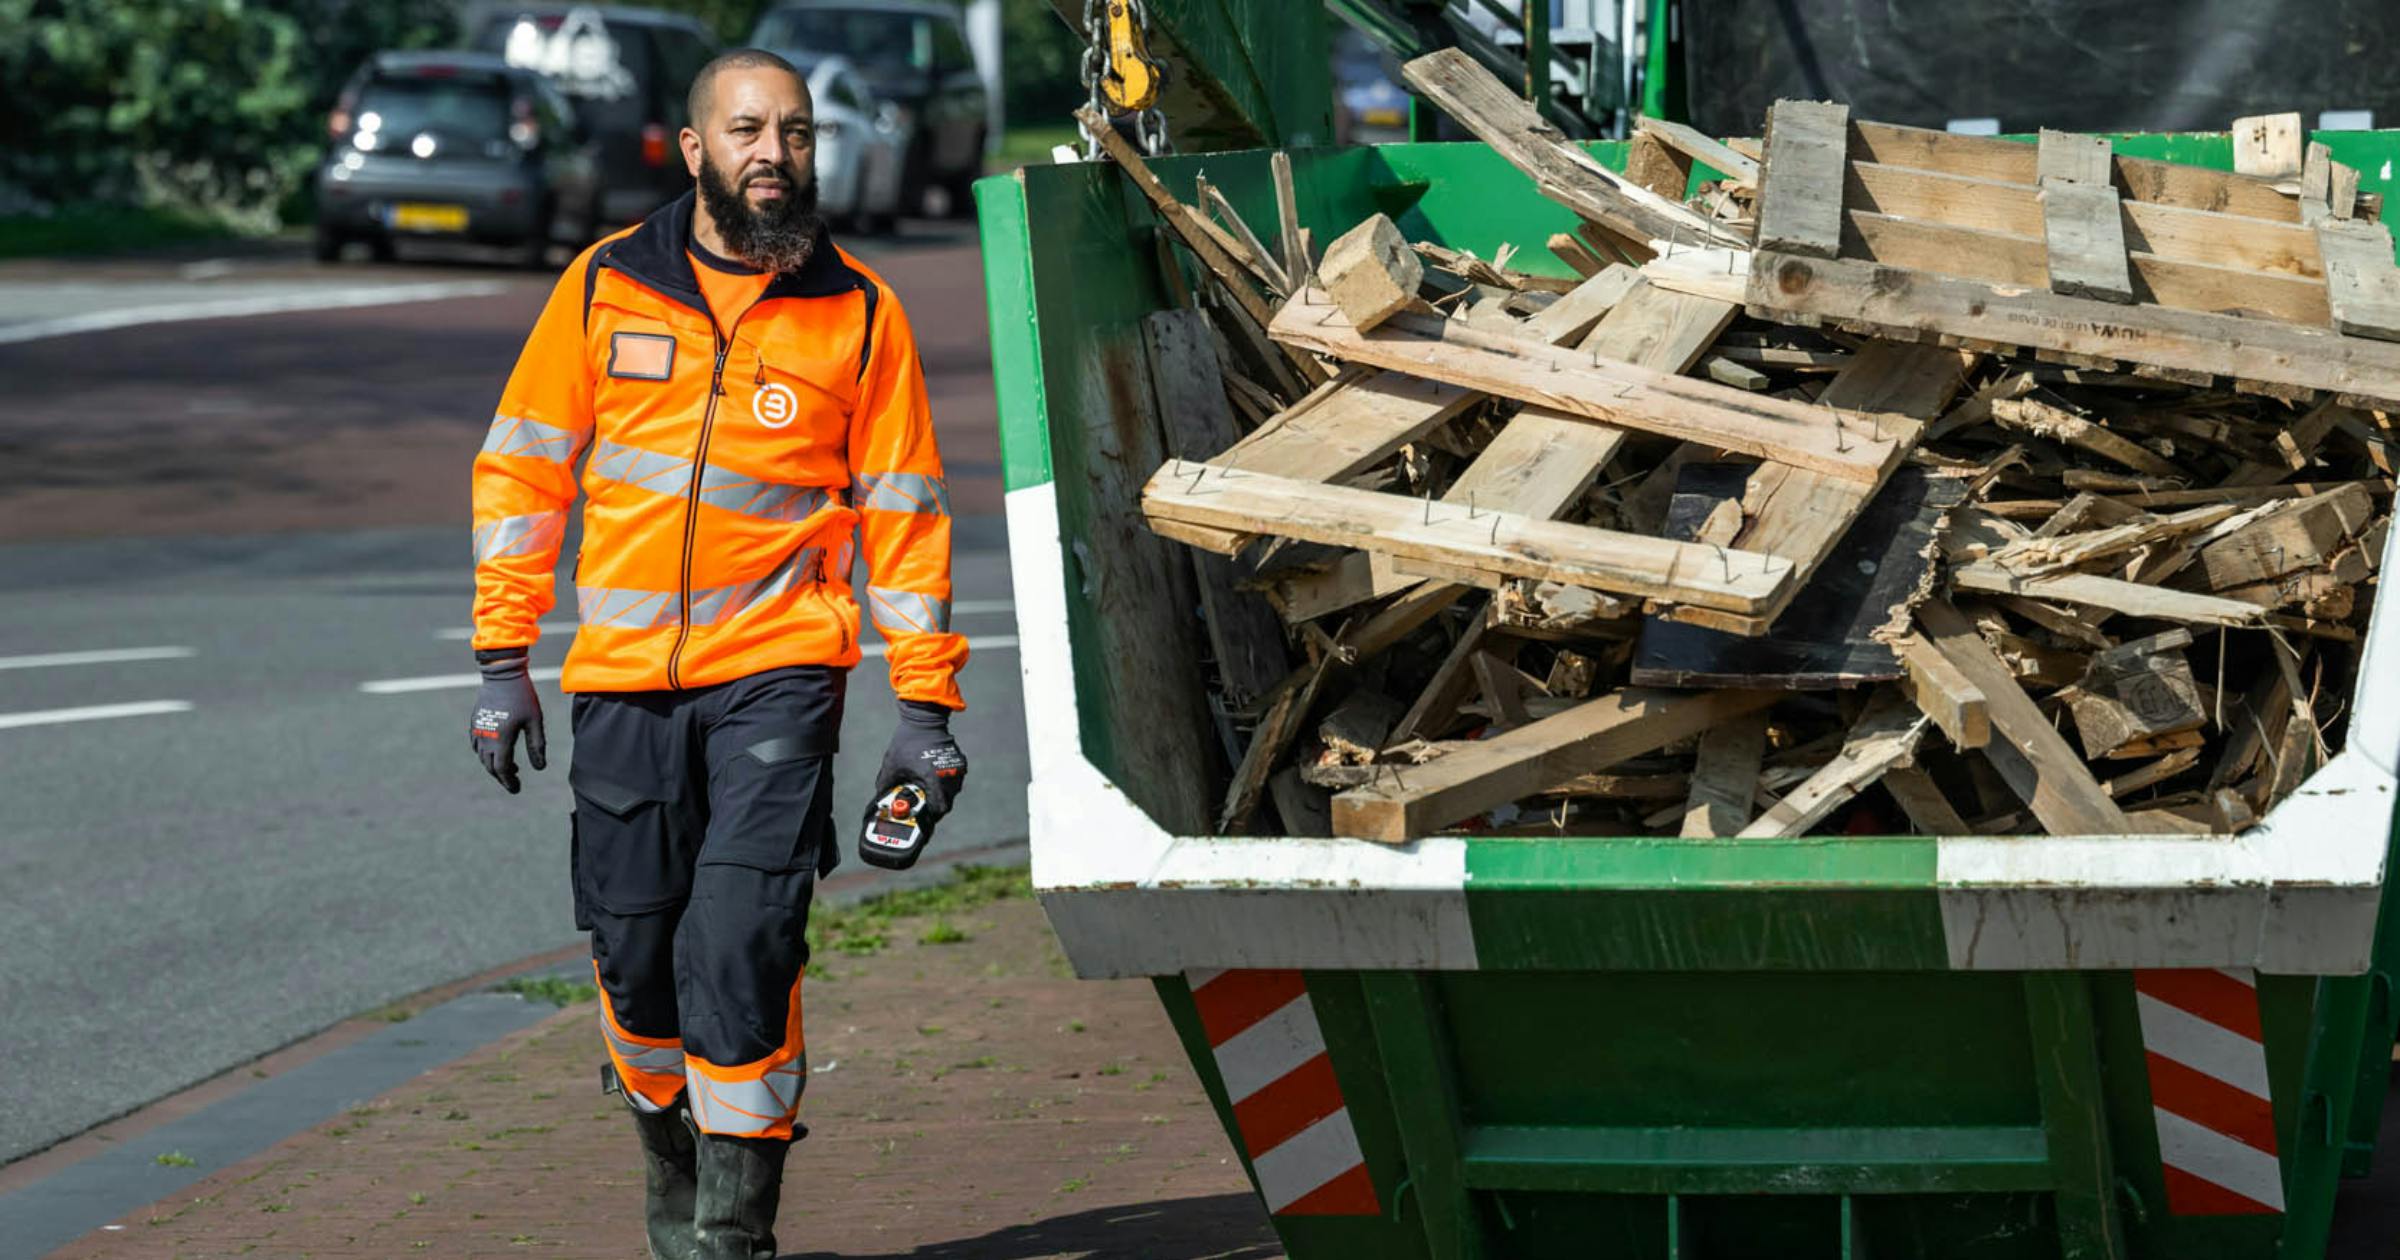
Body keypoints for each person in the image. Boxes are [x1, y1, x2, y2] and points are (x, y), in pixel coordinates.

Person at [463, 48, 968, 1260]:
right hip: (624, 681)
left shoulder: (858, 312)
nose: (774, 155)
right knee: (636, 961)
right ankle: (668, 1166)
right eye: (747, 131)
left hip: (781, 673)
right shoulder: (603, 288)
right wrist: (501, 656)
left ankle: (732, 1235)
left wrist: (925, 709)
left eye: (795, 133)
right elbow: (523, 467)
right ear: (694, 150)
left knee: (740, 942)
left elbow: (904, 517)